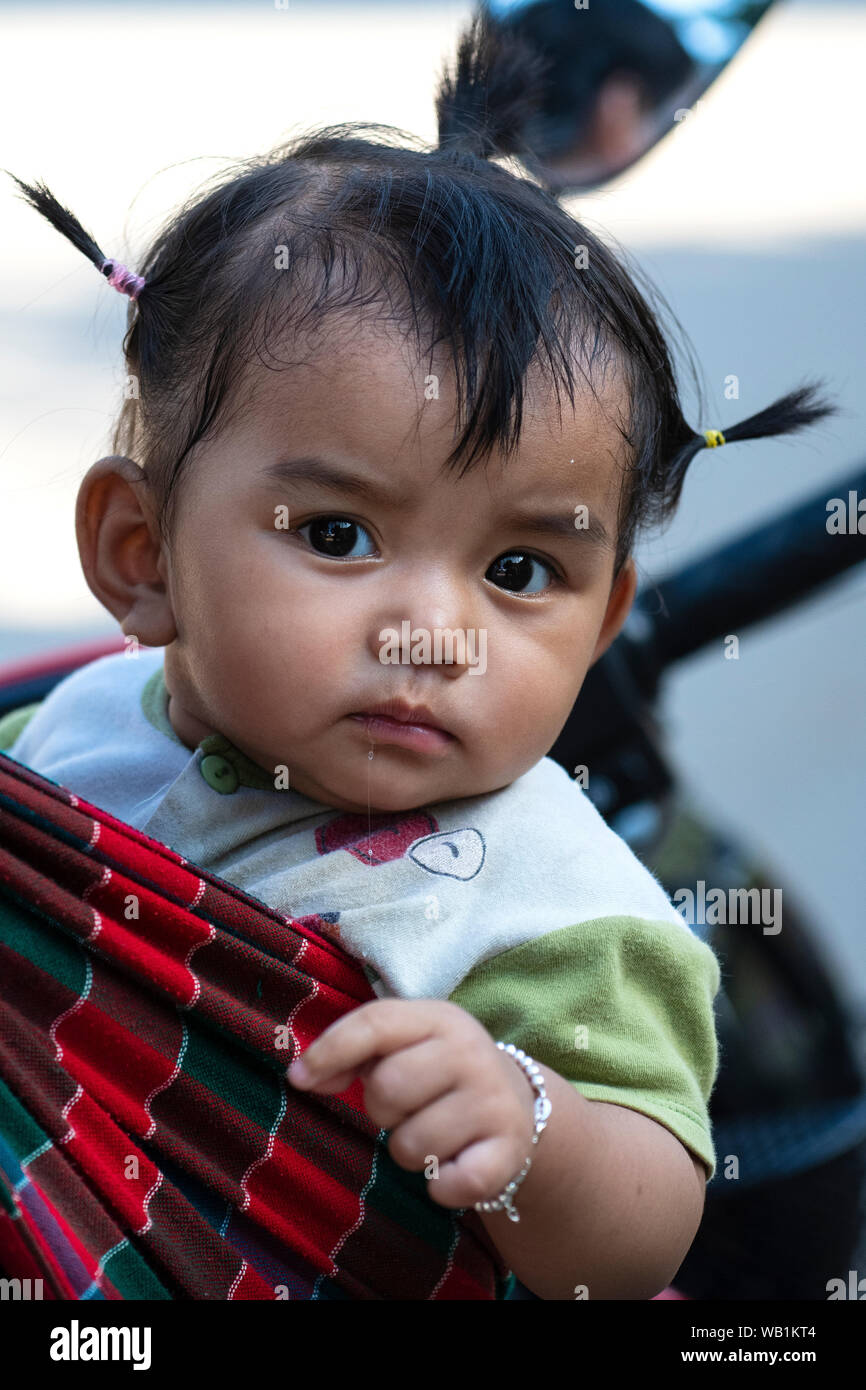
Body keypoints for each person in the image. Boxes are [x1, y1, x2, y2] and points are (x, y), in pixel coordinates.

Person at [0, 11, 833, 1300]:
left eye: (519, 572)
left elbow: (644, 1235)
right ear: (142, 551)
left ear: (604, 622)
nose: (431, 632)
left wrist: (530, 1133)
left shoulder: (551, 904)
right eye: (338, 534)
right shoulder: (68, 725)